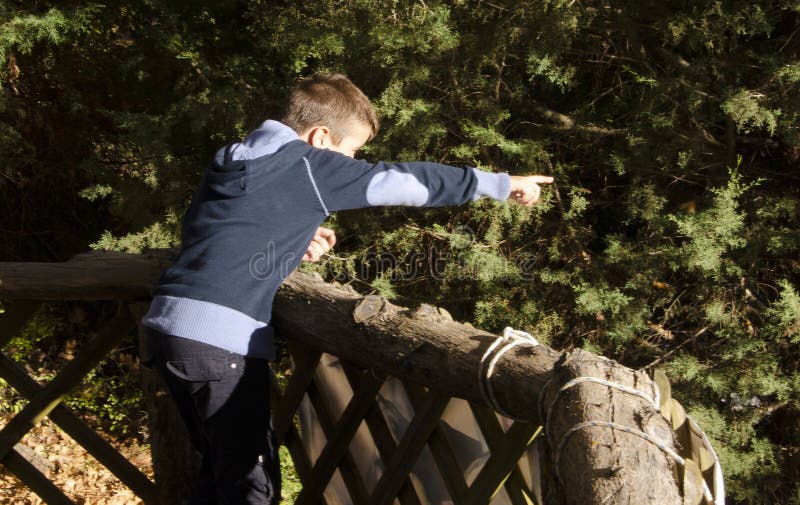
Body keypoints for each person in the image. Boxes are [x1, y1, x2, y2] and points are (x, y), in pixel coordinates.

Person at [141, 72, 553, 505]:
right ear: (320, 137)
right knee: (252, 487)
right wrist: (499, 184)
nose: (353, 162)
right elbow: (404, 181)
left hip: (169, 328)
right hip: (217, 343)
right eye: (352, 151)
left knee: (220, 473)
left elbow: (210, 230)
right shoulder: (307, 162)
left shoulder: (235, 156)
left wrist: (290, 237)